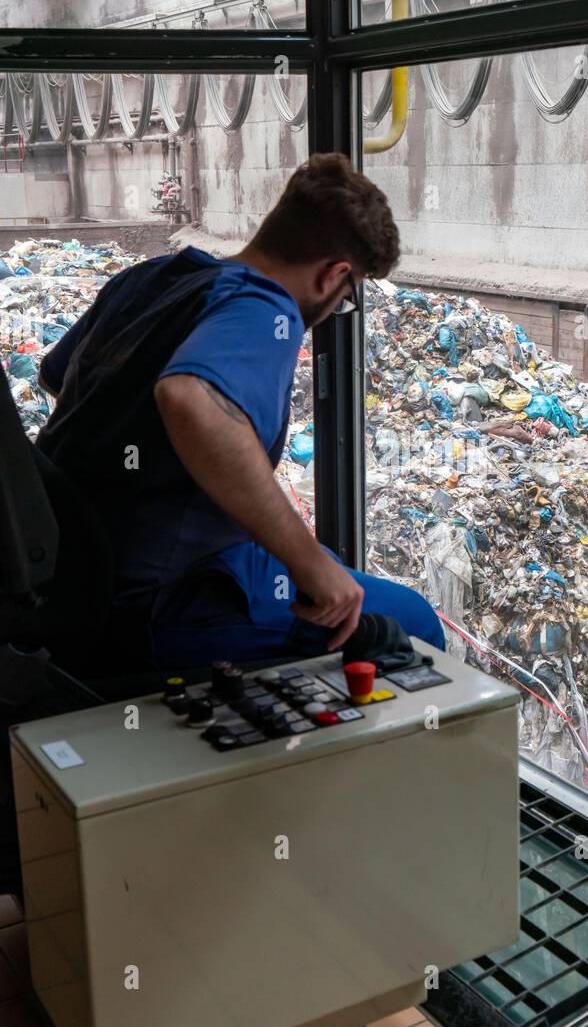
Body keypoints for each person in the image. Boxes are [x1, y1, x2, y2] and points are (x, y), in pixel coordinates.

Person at [36, 153, 445, 671]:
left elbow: (55, 380)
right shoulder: (263, 307)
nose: (337, 308)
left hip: (63, 574)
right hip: (157, 601)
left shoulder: (153, 277)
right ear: (332, 275)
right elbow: (188, 399)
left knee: (333, 576)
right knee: (409, 623)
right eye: (346, 297)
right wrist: (307, 560)